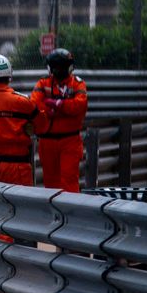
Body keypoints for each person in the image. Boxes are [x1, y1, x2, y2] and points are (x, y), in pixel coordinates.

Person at [0, 54, 48, 187]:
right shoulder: (22, 101)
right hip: (17, 168)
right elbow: (42, 126)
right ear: (9, 74)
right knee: (20, 206)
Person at [33, 48, 88, 192]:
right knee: (50, 184)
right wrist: (61, 108)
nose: (58, 70)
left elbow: (79, 106)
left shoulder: (77, 83)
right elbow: (35, 104)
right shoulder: (43, 83)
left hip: (70, 140)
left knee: (69, 181)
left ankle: (70, 214)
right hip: (47, 141)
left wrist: (57, 105)